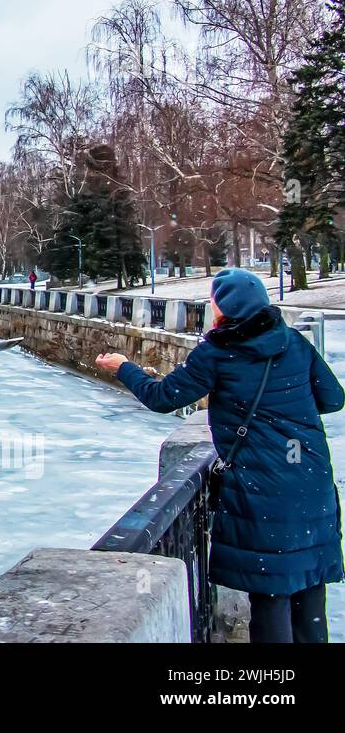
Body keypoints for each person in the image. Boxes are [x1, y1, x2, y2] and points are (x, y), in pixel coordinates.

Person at [95, 268, 343, 643]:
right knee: (309, 587)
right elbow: (333, 399)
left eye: (213, 300)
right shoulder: (293, 342)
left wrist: (124, 368)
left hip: (261, 489)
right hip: (311, 481)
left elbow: (163, 398)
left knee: (271, 593)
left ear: (225, 308)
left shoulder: (218, 353)